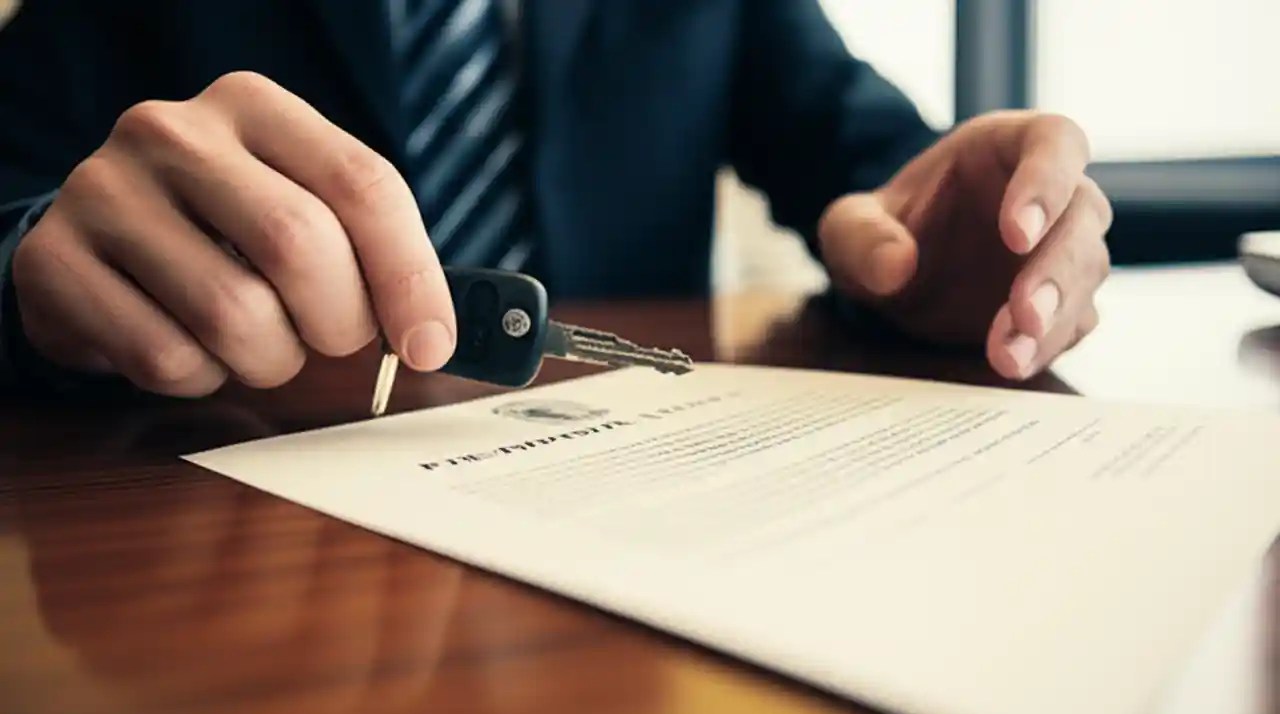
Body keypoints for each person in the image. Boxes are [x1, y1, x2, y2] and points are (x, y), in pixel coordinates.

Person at [0, 1, 1111, 397]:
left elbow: (865, 157)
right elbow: (17, 212)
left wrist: (948, 247)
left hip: (621, 507)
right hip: (229, 500)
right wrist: (26, 280)